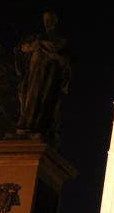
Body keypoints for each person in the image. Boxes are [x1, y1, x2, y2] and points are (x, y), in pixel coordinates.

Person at [14, 11, 71, 145]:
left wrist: (50, 52)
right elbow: (22, 49)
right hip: (33, 76)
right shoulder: (37, 38)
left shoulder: (61, 41)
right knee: (29, 100)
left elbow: (66, 62)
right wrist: (37, 45)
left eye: (50, 20)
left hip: (49, 77)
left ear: (55, 22)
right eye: (46, 20)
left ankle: (39, 128)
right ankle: (25, 127)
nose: (48, 22)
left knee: (45, 101)